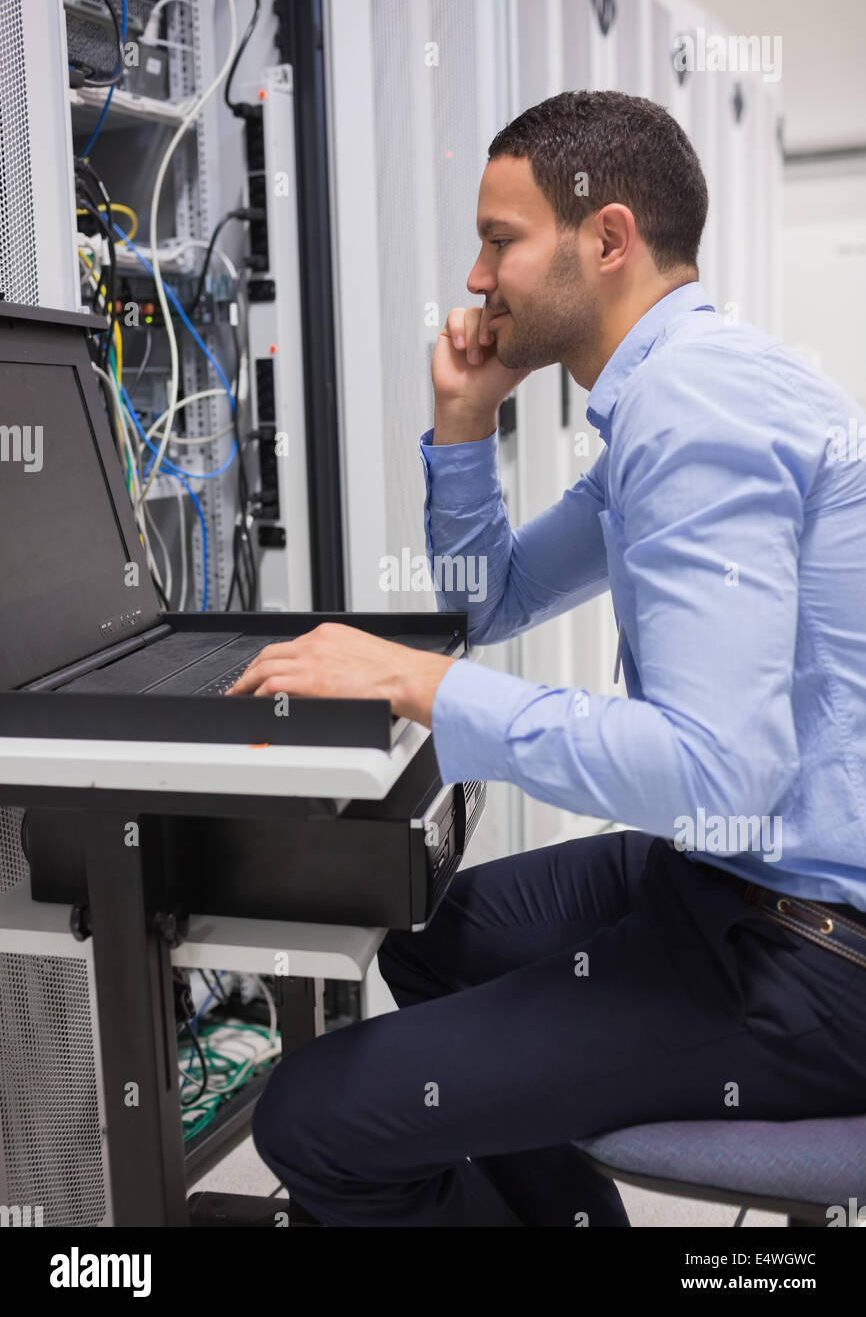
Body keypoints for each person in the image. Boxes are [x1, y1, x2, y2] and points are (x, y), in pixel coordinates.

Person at [243, 90, 866, 1226]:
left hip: (810, 956)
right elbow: (498, 600)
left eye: (498, 241)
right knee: (433, 935)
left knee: (307, 1116)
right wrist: (464, 426)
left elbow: (716, 773)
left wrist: (415, 681)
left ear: (608, 239)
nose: (477, 280)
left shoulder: (695, 410)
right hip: (728, 877)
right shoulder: (669, 396)